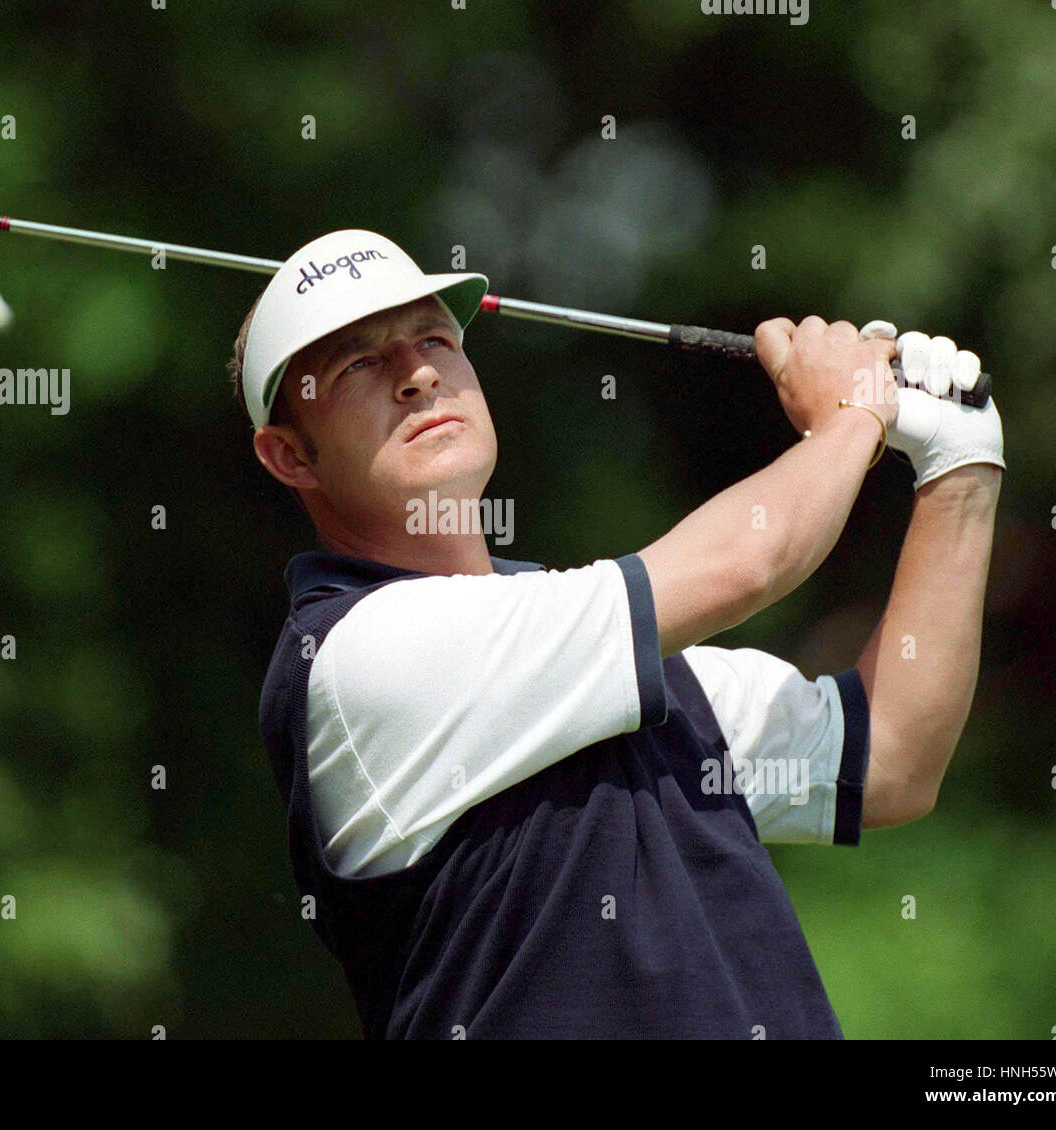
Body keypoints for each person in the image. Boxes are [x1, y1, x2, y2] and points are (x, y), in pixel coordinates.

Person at [229, 228, 1006, 1039]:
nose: (418, 375)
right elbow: (747, 562)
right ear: (290, 456)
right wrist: (853, 415)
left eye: (432, 338)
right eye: (359, 364)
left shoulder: (613, 656)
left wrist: (961, 466)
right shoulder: (361, 656)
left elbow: (890, 760)